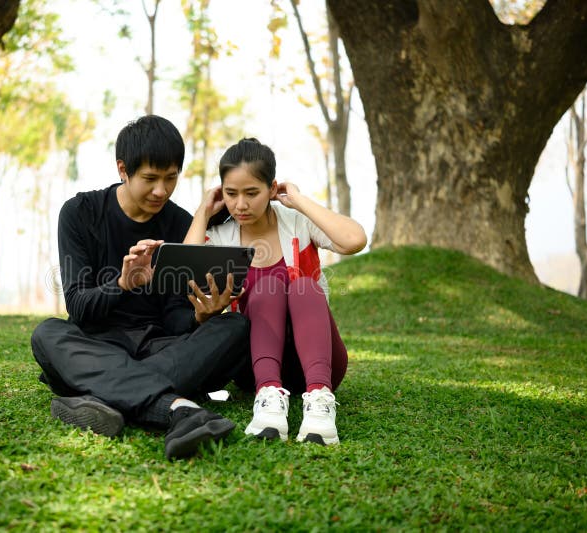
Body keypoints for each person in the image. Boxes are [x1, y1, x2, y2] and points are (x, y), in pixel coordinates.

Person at [30, 116, 250, 460]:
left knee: (236, 327)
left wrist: (200, 317)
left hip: (160, 347)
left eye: (170, 178)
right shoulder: (80, 213)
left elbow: (175, 318)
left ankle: (95, 395)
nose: (161, 190)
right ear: (123, 169)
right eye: (150, 178)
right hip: (97, 344)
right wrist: (122, 283)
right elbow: (79, 308)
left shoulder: (179, 223)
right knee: (47, 334)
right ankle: (178, 409)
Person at [183, 138, 367, 445]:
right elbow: (187, 274)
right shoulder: (220, 238)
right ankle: (269, 400)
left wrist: (298, 200)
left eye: (252, 193)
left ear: (272, 189)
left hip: (320, 360)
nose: (240, 204)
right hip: (254, 369)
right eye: (231, 194)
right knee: (267, 290)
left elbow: (354, 240)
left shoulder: (298, 223)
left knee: (304, 286)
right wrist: (203, 212)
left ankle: (319, 402)